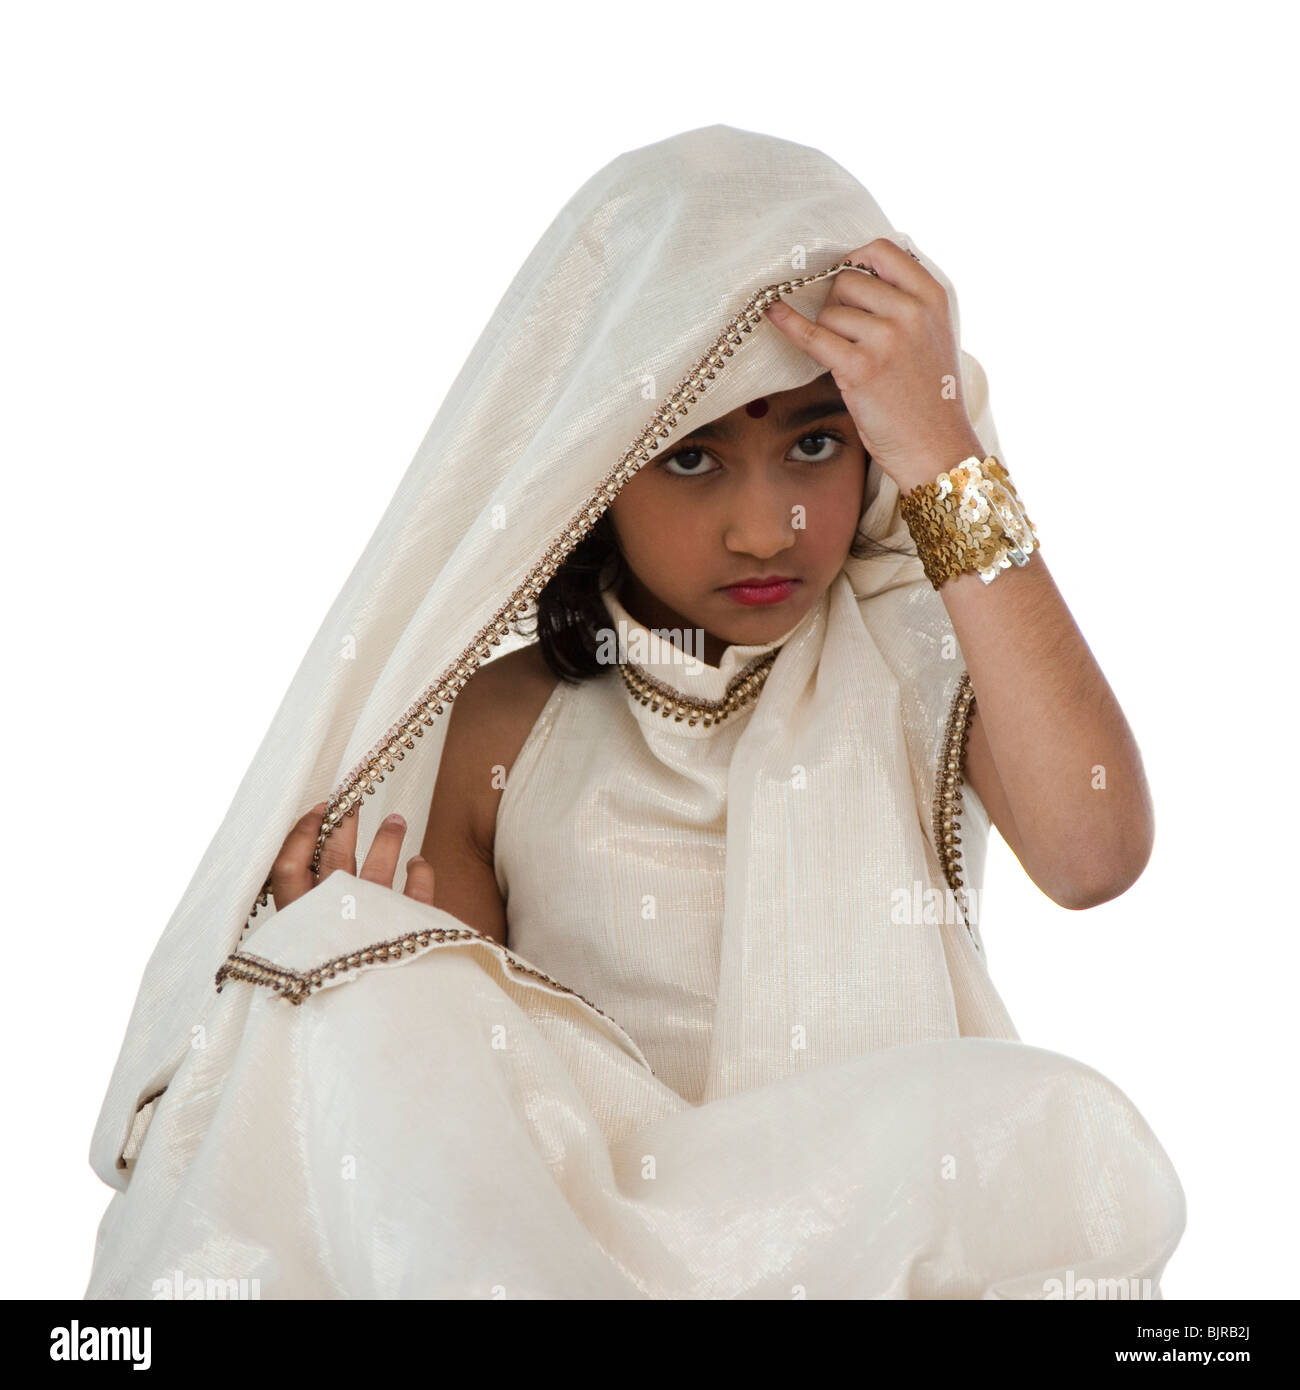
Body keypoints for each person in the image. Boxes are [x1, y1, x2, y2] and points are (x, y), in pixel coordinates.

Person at [84, 124, 1186, 1299]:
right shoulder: (499, 729)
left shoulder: (927, 654)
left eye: (816, 443)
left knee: (1044, 1119)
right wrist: (367, 969)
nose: (767, 530)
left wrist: (943, 453)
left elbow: (1091, 851)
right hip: (601, 1265)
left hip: (897, 1247)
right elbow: (477, 1157)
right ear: (596, 466)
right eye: (694, 460)